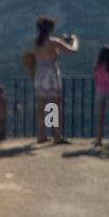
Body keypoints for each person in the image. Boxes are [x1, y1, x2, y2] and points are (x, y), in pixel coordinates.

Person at [32, 15, 79, 143]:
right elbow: (72, 50)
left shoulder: (36, 42)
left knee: (41, 106)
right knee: (54, 106)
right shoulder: (53, 41)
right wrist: (74, 40)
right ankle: (56, 135)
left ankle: (41, 135)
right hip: (51, 75)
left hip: (39, 74)